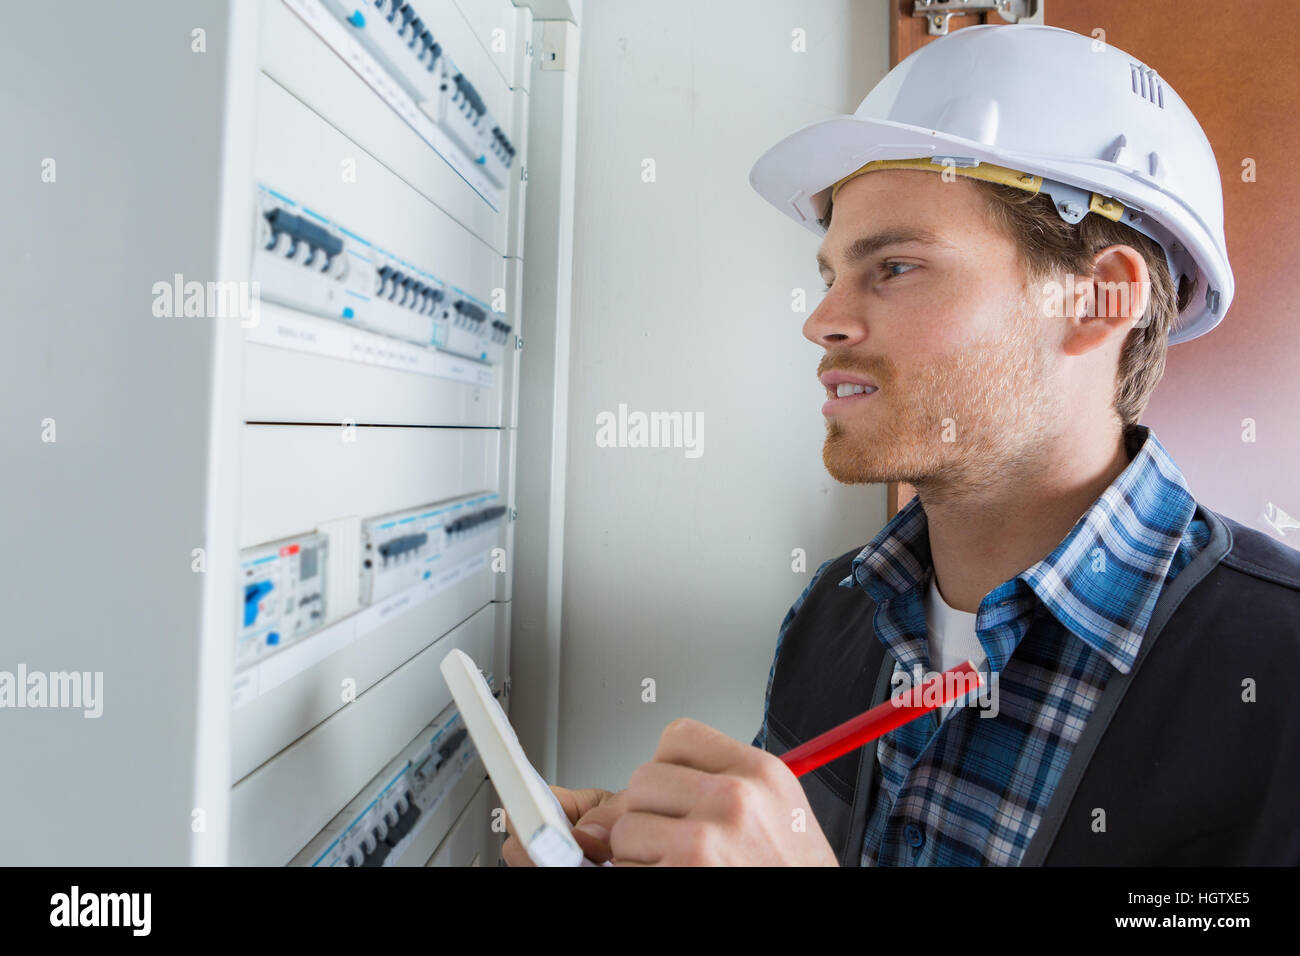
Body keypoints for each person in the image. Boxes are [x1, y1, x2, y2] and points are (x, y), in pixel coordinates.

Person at [503, 24, 1300, 866]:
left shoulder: (1277, 676)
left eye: (895, 267)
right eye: (831, 275)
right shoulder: (834, 613)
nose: (822, 321)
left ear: (1097, 300)